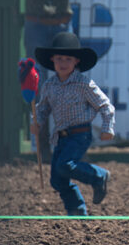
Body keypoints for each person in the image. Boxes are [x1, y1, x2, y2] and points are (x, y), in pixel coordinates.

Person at [18, 0, 87, 158]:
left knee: (66, 86)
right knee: (37, 85)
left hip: (60, 28)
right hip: (37, 25)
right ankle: (43, 148)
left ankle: (68, 145)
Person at [33, 32, 114, 216]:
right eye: (59, 58)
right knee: (57, 180)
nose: (63, 62)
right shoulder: (49, 85)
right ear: (52, 59)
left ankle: (99, 176)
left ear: (76, 61)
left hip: (80, 133)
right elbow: (42, 108)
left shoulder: (84, 84)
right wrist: (36, 122)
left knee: (65, 165)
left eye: (68, 58)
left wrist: (107, 127)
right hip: (61, 137)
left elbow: (105, 105)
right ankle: (76, 209)